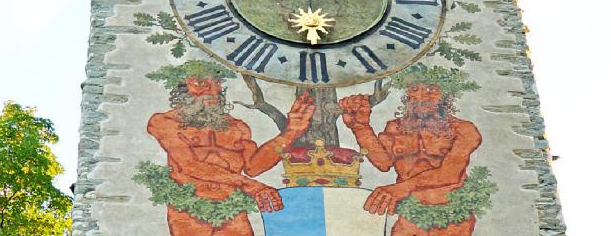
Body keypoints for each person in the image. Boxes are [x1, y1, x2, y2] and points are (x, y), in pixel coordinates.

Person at [145, 60, 315, 236]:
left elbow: (253, 167)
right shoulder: (164, 122)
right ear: (182, 86)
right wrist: (249, 185)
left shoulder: (237, 127)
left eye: (216, 82)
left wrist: (290, 133)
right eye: (200, 83)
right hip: (190, 212)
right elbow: (189, 165)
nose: (210, 90)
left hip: (232, 211)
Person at [339, 65, 485, 236]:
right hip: (409, 218)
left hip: (452, 220)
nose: (421, 97)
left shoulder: (465, 130)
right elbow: (383, 163)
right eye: (415, 89)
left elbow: (450, 173)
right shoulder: (395, 128)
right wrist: (360, 127)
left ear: (446, 95)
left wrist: (401, 188)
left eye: (431, 90)